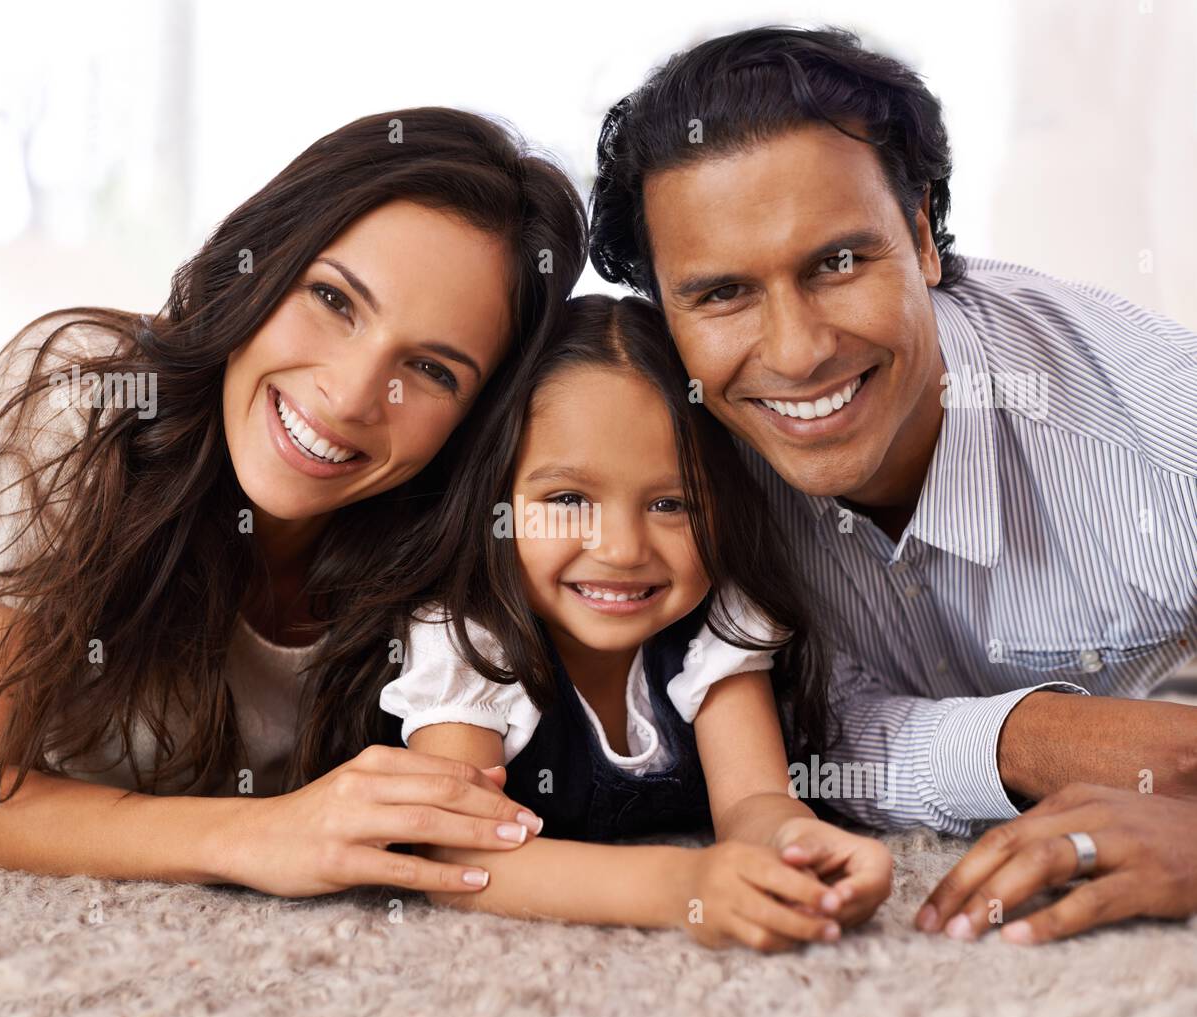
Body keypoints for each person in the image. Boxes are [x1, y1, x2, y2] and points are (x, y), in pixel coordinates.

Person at [587, 25, 1197, 942]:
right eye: (720, 294)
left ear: (920, 237)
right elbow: (802, 727)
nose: (795, 353)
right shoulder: (679, 464)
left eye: (837, 263)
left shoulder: (1162, 421)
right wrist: (1030, 739)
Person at [0, 107, 588, 900]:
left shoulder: (459, 530)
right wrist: (255, 835)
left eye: (434, 371)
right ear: (260, 264)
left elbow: (469, 847)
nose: (348, 398)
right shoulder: (81, 405)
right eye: (335, 301)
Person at [377, 295, 893, 950]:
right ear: (494, 501)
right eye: (567, 499)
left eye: (671, 503)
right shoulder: (468, 635)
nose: (621, 549)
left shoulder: (719, 624)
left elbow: (750, 802)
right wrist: (685, 886)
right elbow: (458, 858)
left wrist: (795, 845)